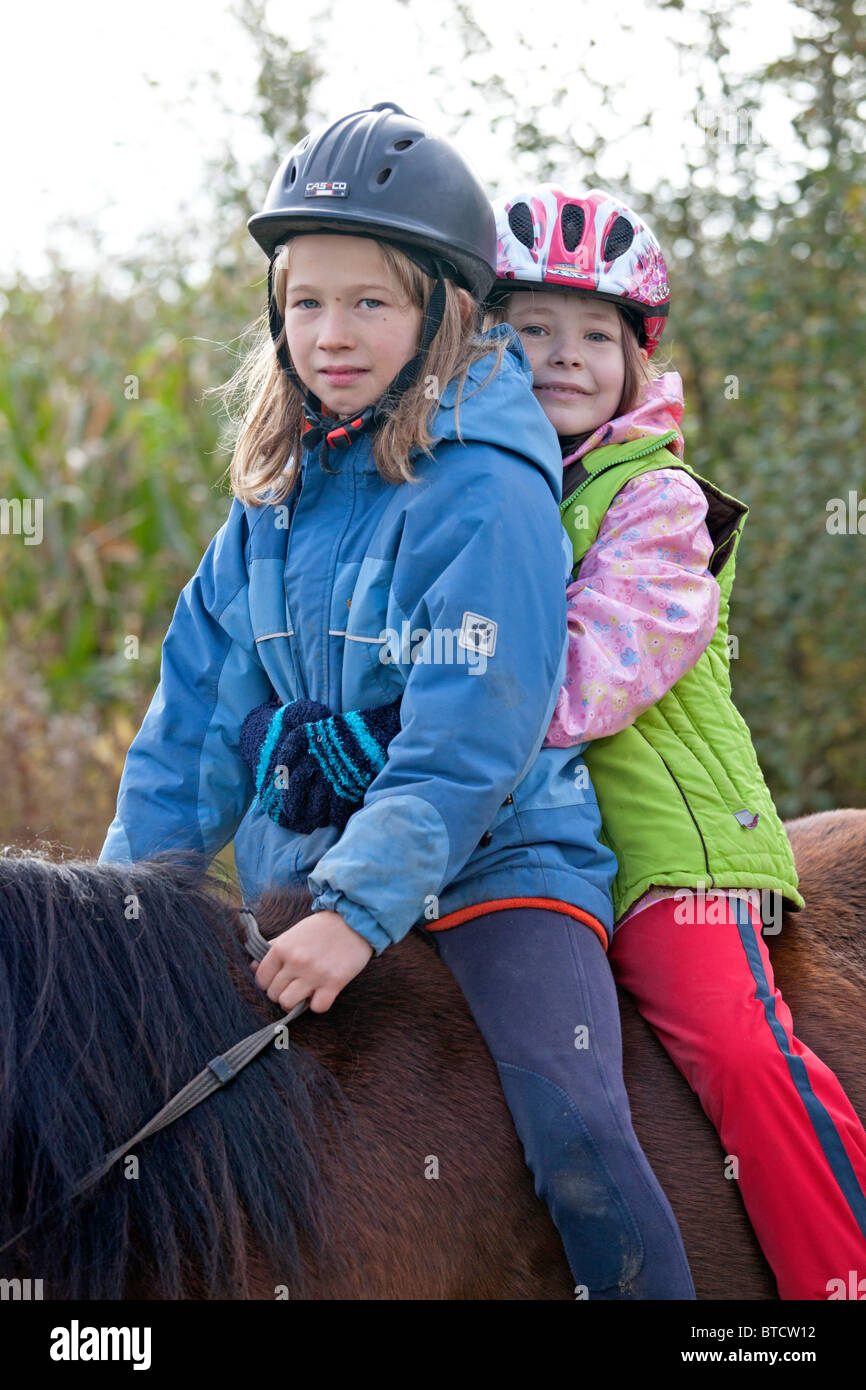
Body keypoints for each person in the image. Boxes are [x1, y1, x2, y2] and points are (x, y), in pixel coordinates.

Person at [99, 111, 694, 1299]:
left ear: (441, 312)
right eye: (307, 302)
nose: (331, 333)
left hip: (495, 866)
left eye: (370, 303)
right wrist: (119, 918)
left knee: (574, 1121)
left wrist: (358, 909)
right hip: (298, 870)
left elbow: (473, 726)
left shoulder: (483, 482)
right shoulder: (269, 498)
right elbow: (195, 728)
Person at [252, 178, 866, 1300]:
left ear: (638, 362)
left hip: (666, 854)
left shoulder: (654, 503)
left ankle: (842, 1274)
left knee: (734, 1048)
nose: (563, 355)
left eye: (596, 334)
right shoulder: (463, 488)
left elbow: (587, 672)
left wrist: (398, 726)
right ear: (480, 345)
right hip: (512, 844)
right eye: (530, 330)